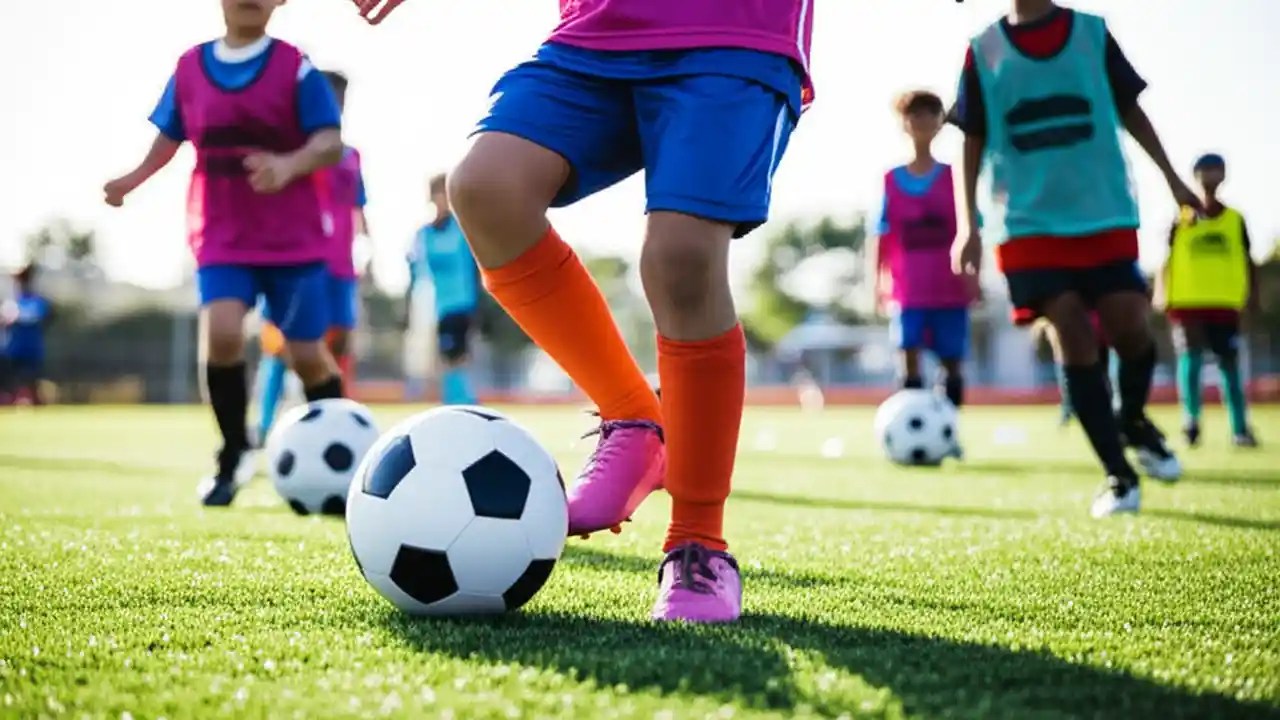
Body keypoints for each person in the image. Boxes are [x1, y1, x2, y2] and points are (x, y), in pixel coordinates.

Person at [353, 0, 812, 623]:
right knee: (486, 187)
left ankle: (698, 545)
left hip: (733, 30)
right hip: (597, 30)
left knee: (679, 259)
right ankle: (634, 419)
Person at [948, 0, 1194, 518]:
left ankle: (1132, 420)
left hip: (1102, 210)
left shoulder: (1092, 33)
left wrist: (1173, 180)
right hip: (1027, 222)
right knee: (1073, 335)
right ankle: (1119, 474)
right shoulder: (982, 50)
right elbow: (972, 138)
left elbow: (1131, 110)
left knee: (1130, 327)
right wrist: (968, 224)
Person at [103, 0, 346, 506]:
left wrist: (290, 164)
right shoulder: (191, 67)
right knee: (223, 333)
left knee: (306, 356)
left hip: (292, 237)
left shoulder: (294, 65)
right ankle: (233, 453)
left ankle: (346, 452)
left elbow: (328, 141)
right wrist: (132, 180)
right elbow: (169, 139)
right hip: (221, 234)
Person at [256, 69, 369, 441]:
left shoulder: (352, 156)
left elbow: (358, 208)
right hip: (298, 260)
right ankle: (263, 425)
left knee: (339, 346)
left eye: (341, 102)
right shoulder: (293, 152)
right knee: (280, 346)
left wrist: (368, 249)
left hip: (340, 266)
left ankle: (339, 423)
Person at [872, 89, 976, 459]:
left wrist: (974, 277)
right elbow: (880, 236)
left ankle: (949, 436)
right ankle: (907, 426)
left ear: (940, 122)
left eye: (930, 114)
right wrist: (877, 284)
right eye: (914, 115)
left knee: (952, 362)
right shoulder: (890, 179)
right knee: (908, 357)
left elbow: (971, 227)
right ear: (904, 124)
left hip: (949, 287)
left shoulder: (955, 178)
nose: (922, 122)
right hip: (908, 289)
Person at [1157, 153, 1259, 448]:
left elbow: (1247, 260)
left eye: (1216, 169)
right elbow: (1167, 259)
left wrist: (1252, 296)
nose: (1211, 175)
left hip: (1223, 304)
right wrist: (1162, 293)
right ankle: (1191, 422)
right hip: (1187, 303)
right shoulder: (1182, 219)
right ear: (1196, 175)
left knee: (1229, 364)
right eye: (1205, 170)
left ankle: (1239, 429)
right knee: (1191, 361)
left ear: (1224, 174)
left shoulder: (1235, 220)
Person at [408, 173, 479, 405]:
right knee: (443, 357)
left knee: (458, 355)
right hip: (435, 305)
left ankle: (462, 401)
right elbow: (416, 269)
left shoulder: (462, 230)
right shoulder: (424, 234)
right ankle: (455, 400)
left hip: (461, 302)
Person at [2, 265, 51, 405]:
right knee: (12, 382)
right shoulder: (11, 302)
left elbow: (41, 318)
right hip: (14, 349)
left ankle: (34, 403)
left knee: (31, 380)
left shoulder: (38, 301)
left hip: (32, 349)